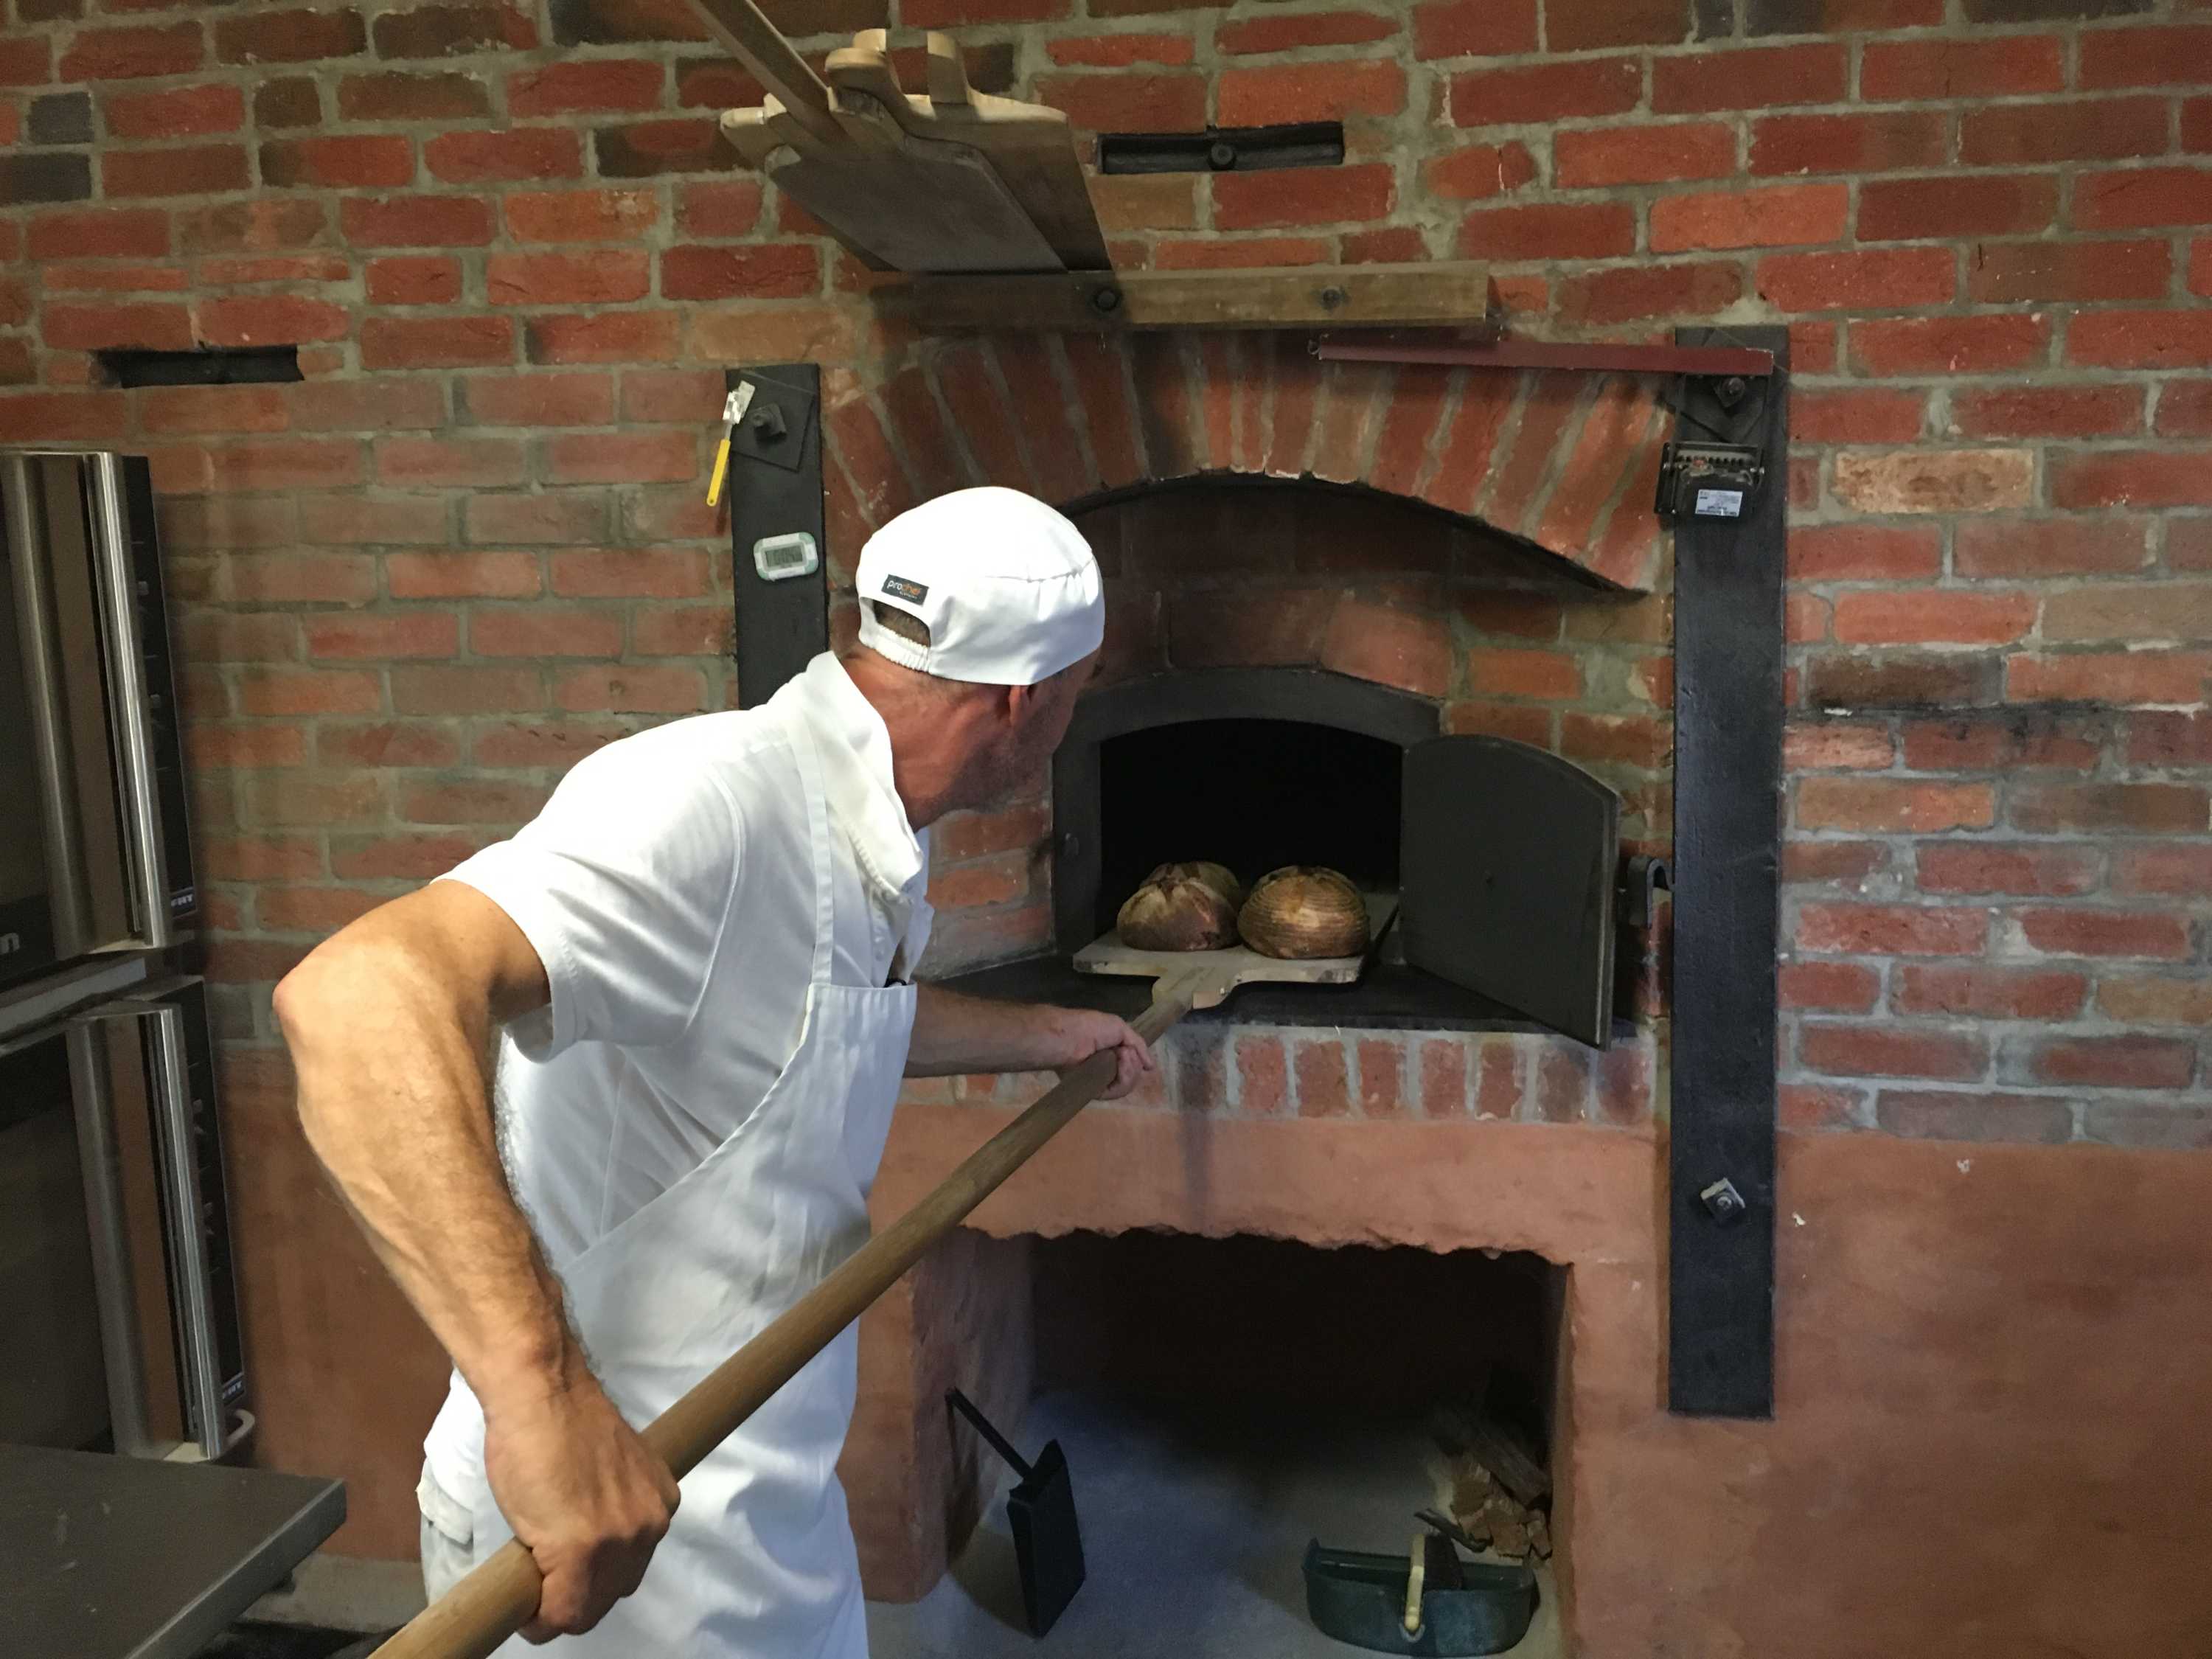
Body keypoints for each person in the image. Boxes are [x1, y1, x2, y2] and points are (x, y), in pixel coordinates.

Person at [275, 486, 1152, 1655]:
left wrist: (1049, 1035)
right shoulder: (714, 805)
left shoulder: (873, 823)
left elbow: (816, 1022)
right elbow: (355, 994)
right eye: (1078, 696)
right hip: (607, 1550)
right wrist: (543, 1397)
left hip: (763, 1507)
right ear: (1023, 700)